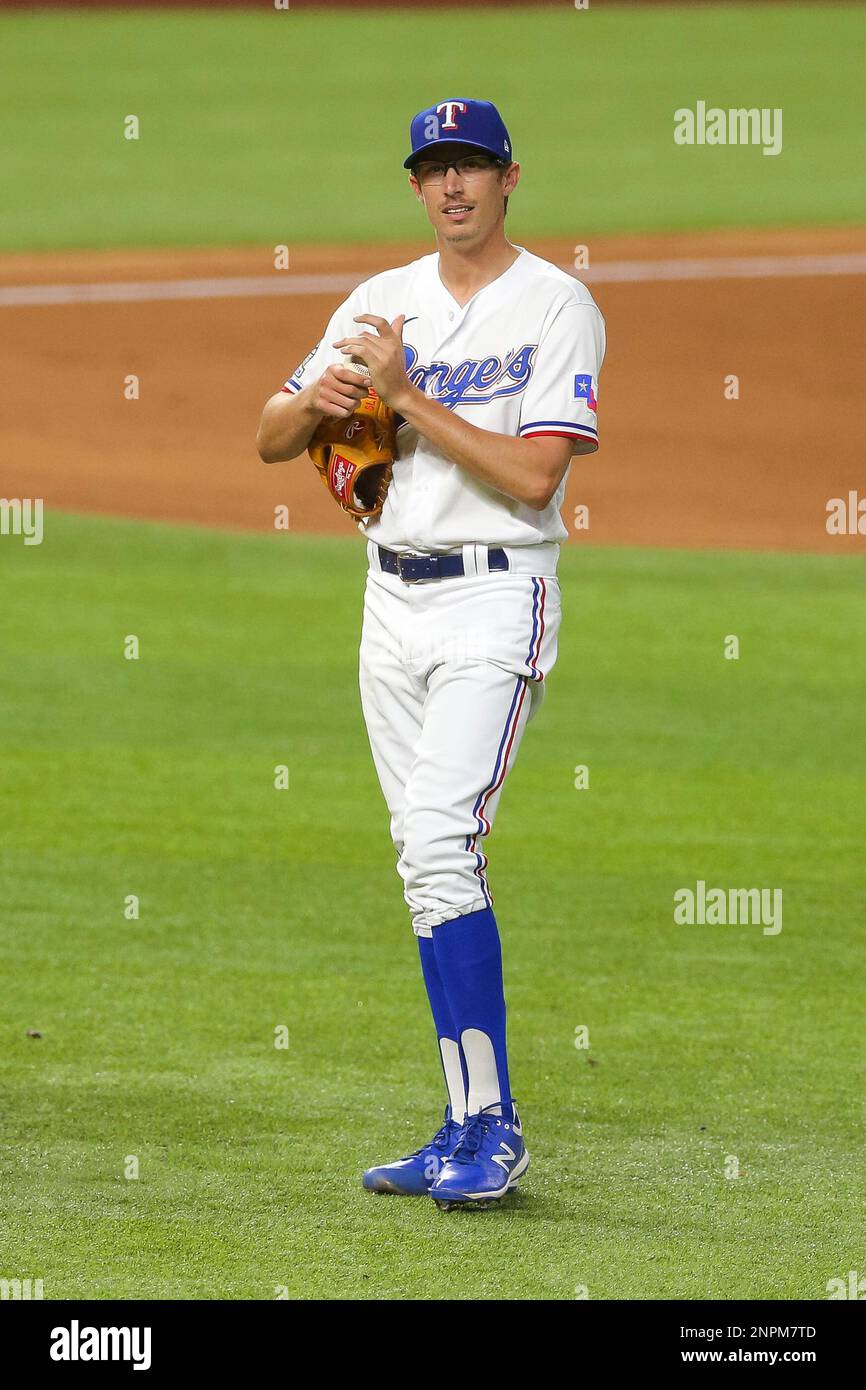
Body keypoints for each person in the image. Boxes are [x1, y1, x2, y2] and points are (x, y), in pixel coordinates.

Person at [257, 98, 605, 1207]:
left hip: (495, 603)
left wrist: (404, 398)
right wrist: (318, 400)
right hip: (388, 605)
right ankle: (459, 1120)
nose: (452, 186)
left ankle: (493, 1128)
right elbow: (268, 437)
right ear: (415, 187)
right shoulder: (376, 303)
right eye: (433, 170)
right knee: (426, 864)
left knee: (436, 838)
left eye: (471, 167)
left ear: (510, 178)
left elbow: (537, 475)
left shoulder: (556, 304)